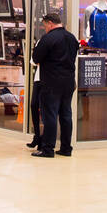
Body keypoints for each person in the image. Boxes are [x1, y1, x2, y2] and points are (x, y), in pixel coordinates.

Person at [30, 12, 78, 158]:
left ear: (50, 23)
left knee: (49, 115)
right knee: (66, 115)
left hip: (51, 82)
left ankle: (48, 149)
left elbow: (36, 58)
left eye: (45, 26)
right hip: (69, 82)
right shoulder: (72, 38)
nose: (45, 29)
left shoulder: (48, 38)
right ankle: (66, 148)